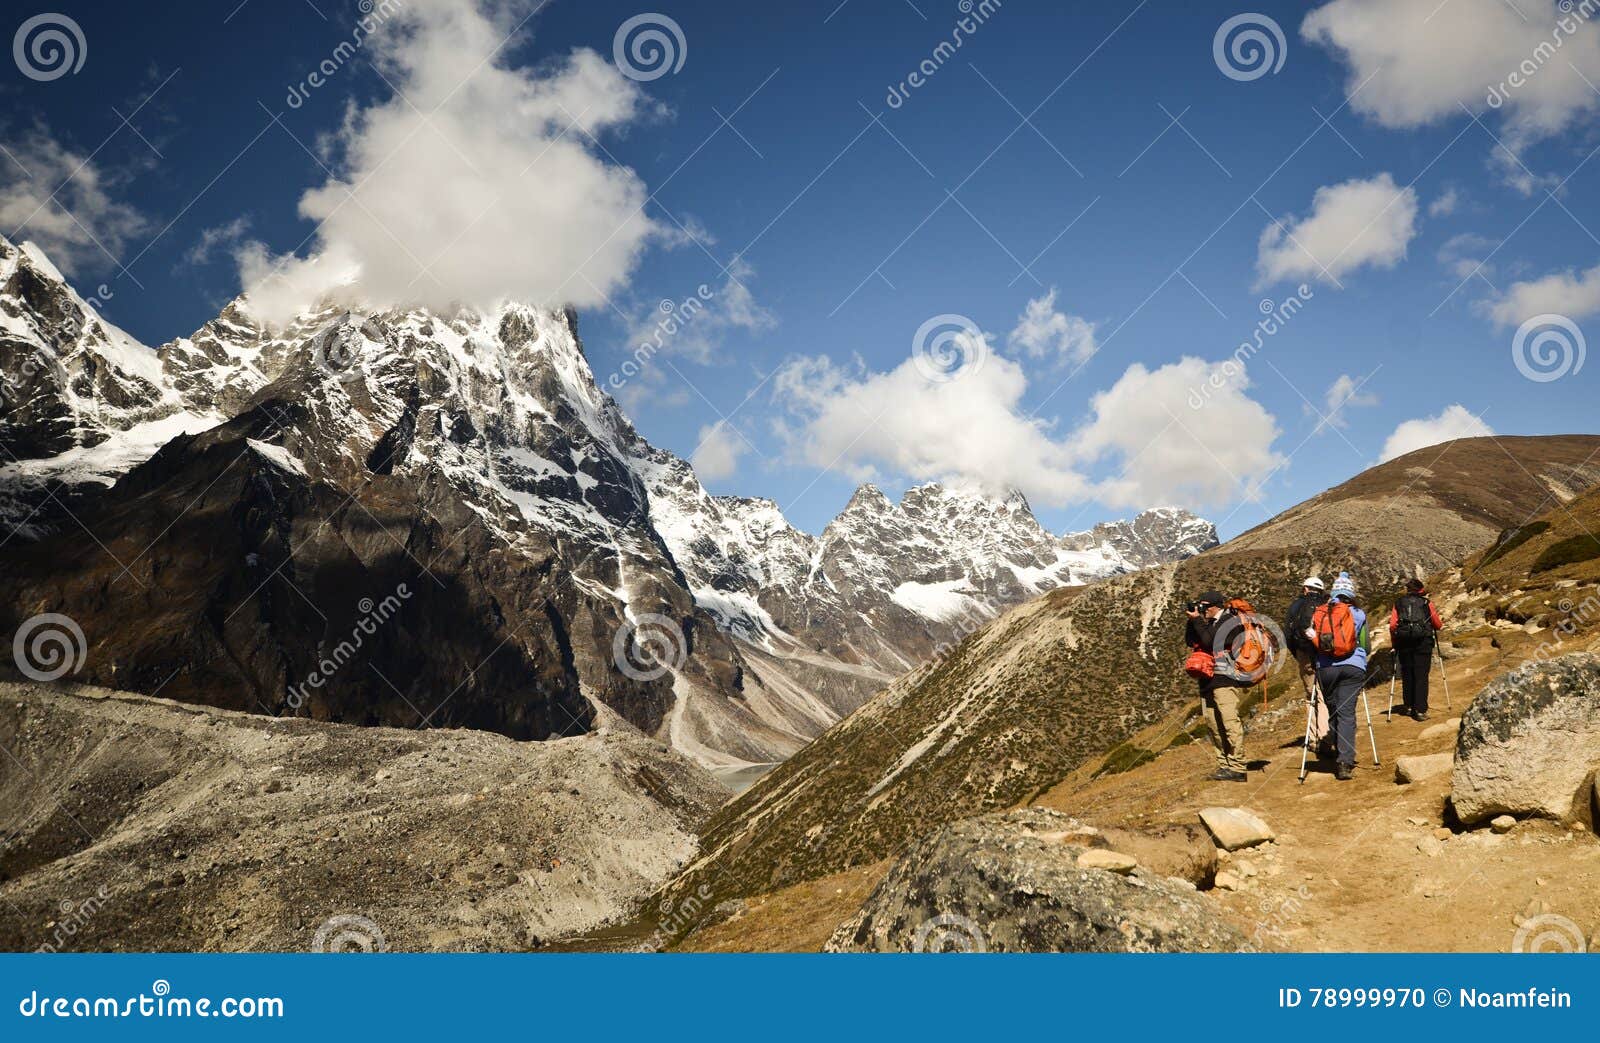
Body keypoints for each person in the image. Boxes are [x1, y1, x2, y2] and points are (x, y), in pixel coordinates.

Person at [1307, 571, 1370, 781]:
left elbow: (1313, 640)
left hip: (1326, 668)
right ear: (1350, 593)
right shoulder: (1359, 614)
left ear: (1333, 593)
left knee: (1334, 709)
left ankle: (1334, 746)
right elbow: (1366, 644)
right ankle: (1345, 761)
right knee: (1347, 712)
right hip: (1353, 667)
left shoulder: (1321, 612)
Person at [1185, 590, 1249, 782]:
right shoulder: (1209, 623)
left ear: (1215, 606)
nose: (1202, 610)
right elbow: (1191, 641)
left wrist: (1197, 620)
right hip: (1207, 681)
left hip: (1225, 679)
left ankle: (1238, 766)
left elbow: (1211, 642)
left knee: (1229, 722)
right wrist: (1192, 620)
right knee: (1214, 724)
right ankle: (1224, 764)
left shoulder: (1230, 621)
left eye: (1204, 606)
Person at [1283, 576, 1331, 755]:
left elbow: (1287, 634)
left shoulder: (1296, 606)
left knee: (1311, 695)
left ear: (1305, 589)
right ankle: (1327, 734)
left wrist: (1298, 655)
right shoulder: (1328, 605)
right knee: (1325, 694)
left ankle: (1313, 739)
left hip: (1305, 655)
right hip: (1325, 654)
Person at [1388, 577, 1443, 721]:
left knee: (1407, 674)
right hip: (1423, 643)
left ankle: (1408, 706)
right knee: (1421, 676)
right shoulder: (1426, 603)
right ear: (1421, 590)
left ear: (1408, 589)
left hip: (1404, 643)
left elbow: (1393, 625)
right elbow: (1437, 624)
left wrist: (1395, 643)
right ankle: (1420, 710)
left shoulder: (1398, 603)